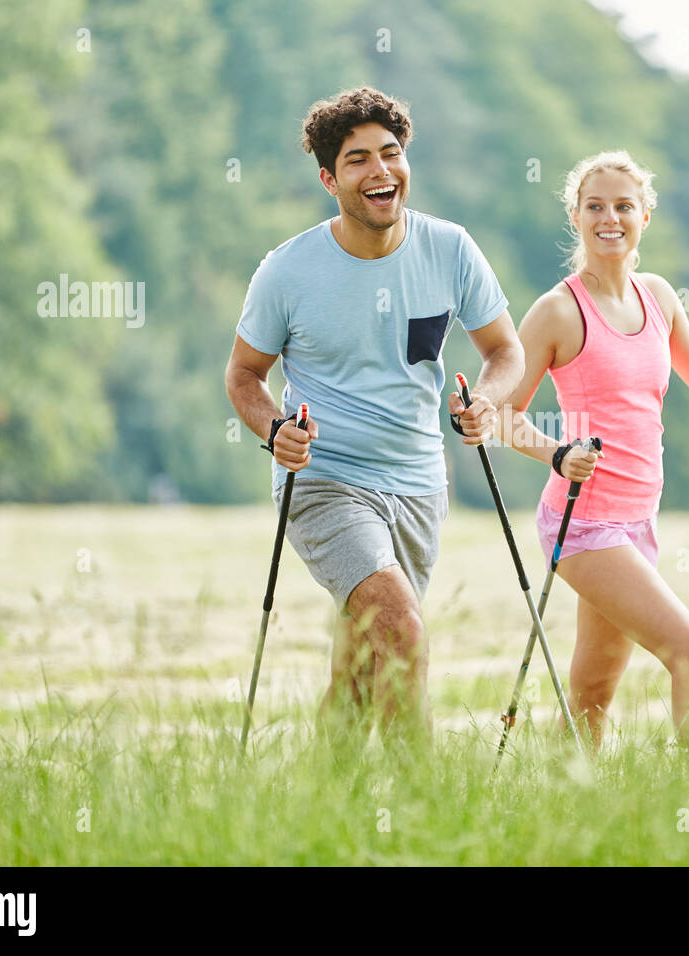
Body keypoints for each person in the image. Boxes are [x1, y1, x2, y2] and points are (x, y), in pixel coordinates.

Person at [225, 87, 523, 748]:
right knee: (402, 632)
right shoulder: (288, 270)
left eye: (391, 153)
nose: (381, 170)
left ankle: (328, 812)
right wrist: (276, 431)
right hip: (327, 483)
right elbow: (244, 375)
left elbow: (505, 351)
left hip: (420, 485)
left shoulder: (451, 250)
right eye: (358, 160)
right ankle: (427, 816)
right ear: (330, 179)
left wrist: (486, 403)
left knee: (363, 668)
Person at [498, 150, 689, 750]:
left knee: (591, 695)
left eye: (624, 206)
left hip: (638, 519)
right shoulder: (558, 310)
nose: (610, 217)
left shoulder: (657, 296)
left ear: (645, 216)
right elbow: (503, 414)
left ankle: (563, 810)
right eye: (595, 206)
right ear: (576, 217)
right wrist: (557, 453)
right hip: (582, 522)